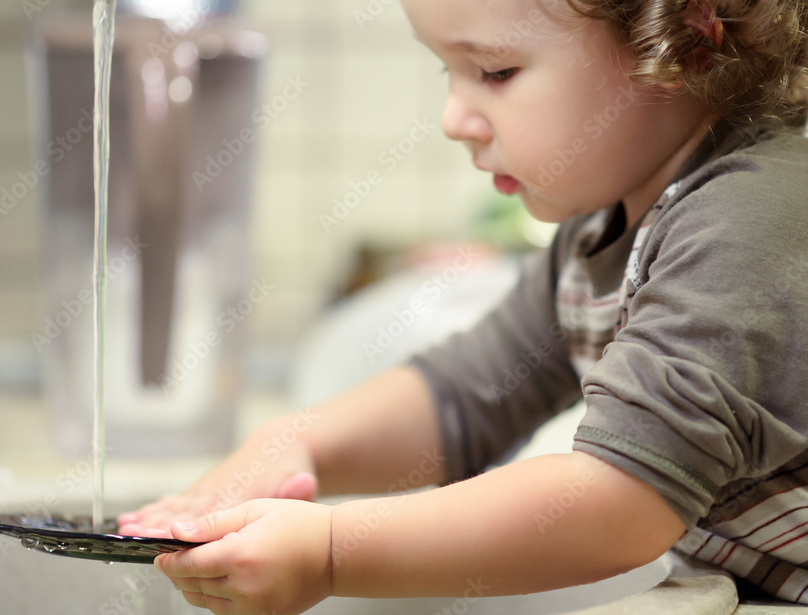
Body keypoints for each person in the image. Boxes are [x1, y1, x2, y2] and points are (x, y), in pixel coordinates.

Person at [118, 0, 808, 612]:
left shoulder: (751, 220)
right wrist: (294, 442)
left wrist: (333, 552)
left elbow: (620, 501)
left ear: (687, 39)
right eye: (445, 71)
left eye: (496, 72)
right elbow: (465, 398)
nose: (453, 119)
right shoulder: (601, 231)